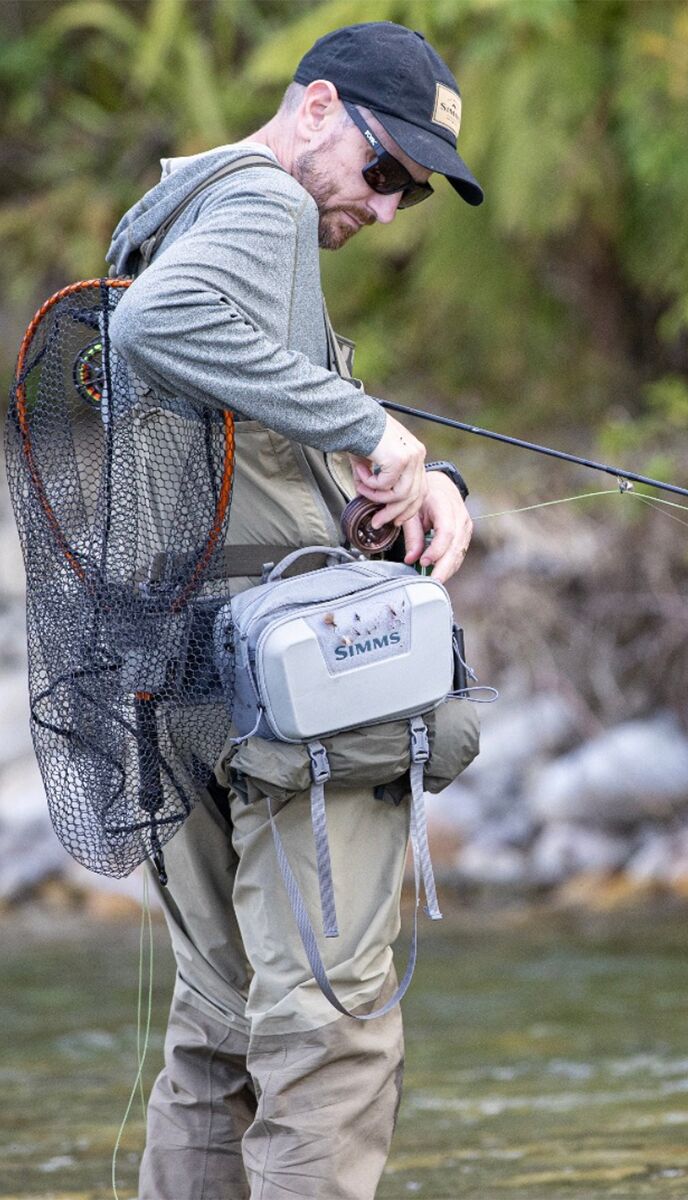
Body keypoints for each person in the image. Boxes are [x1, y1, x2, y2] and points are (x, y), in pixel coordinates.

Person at [103, 22, 482, 1199]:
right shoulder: (264, 203)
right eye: (384, 171)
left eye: (410, 196)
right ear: (315, 107)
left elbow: (250, 458)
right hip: (286, 713)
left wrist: (426, 490)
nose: (385, 206)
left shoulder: (176, 209)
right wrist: (373, 431)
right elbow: (156, 327)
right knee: (329, 1037)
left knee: (219, 1034)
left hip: (176, 684)